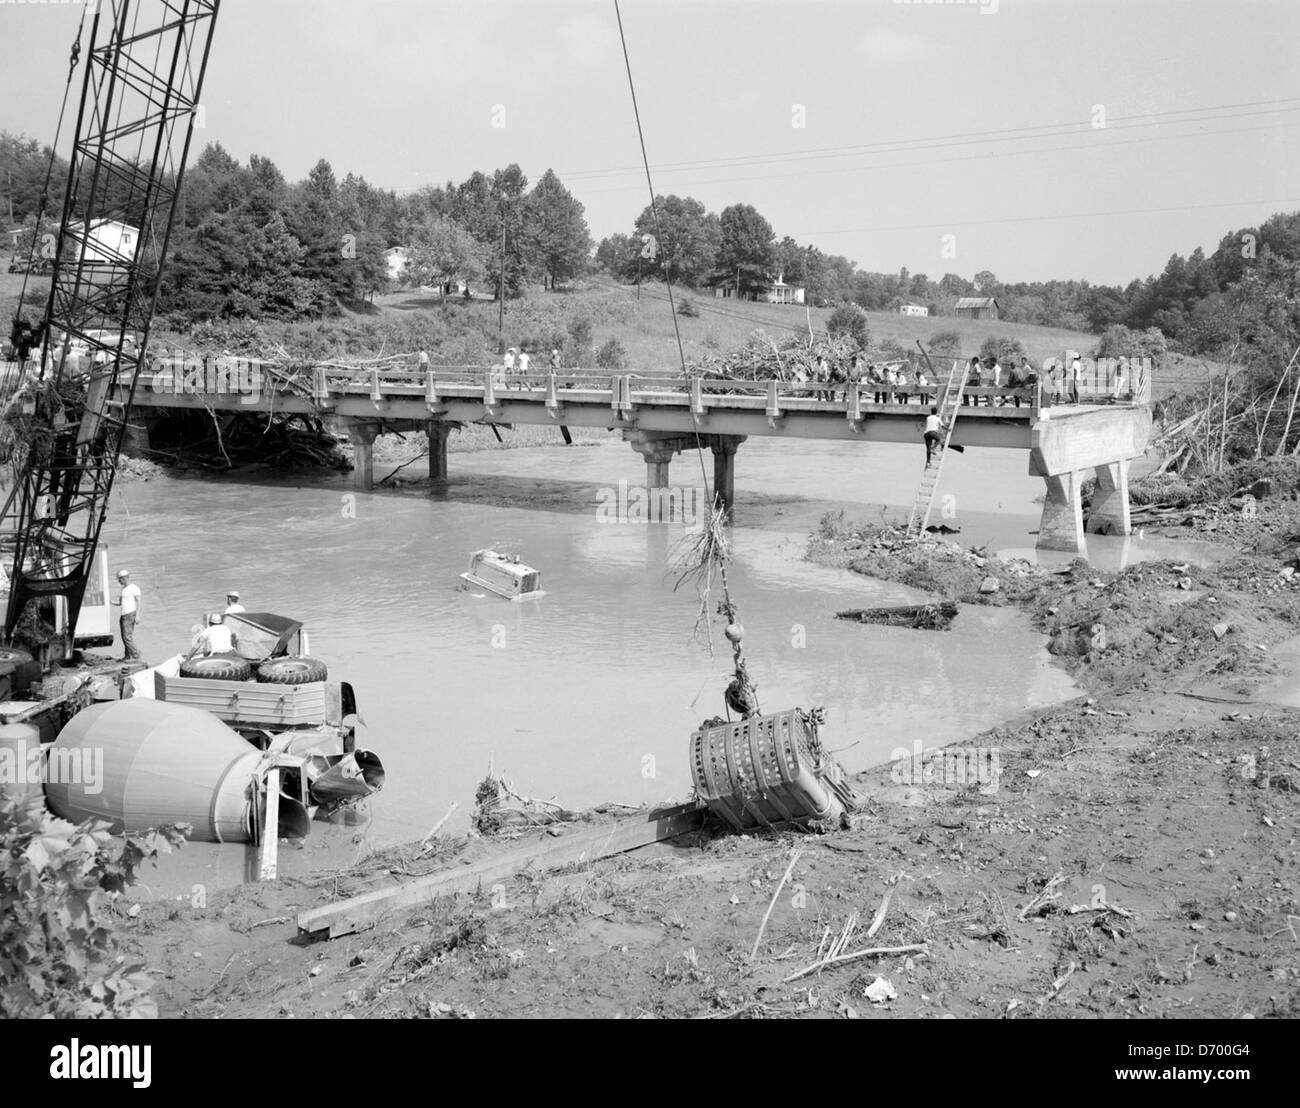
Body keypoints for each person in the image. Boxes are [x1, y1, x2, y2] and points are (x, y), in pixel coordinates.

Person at [112, 569, 142, 661]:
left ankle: (136, 655)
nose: (118, 581)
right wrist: (112, 602)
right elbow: (120, 603)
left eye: (119, 579)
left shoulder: (134, 588)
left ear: (124, 578)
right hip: (123, 615)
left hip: (130, 614)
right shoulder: (123, 589)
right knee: (124, 637)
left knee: (127, 637)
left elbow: (139, 602)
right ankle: (127, 656)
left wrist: (138, 616)